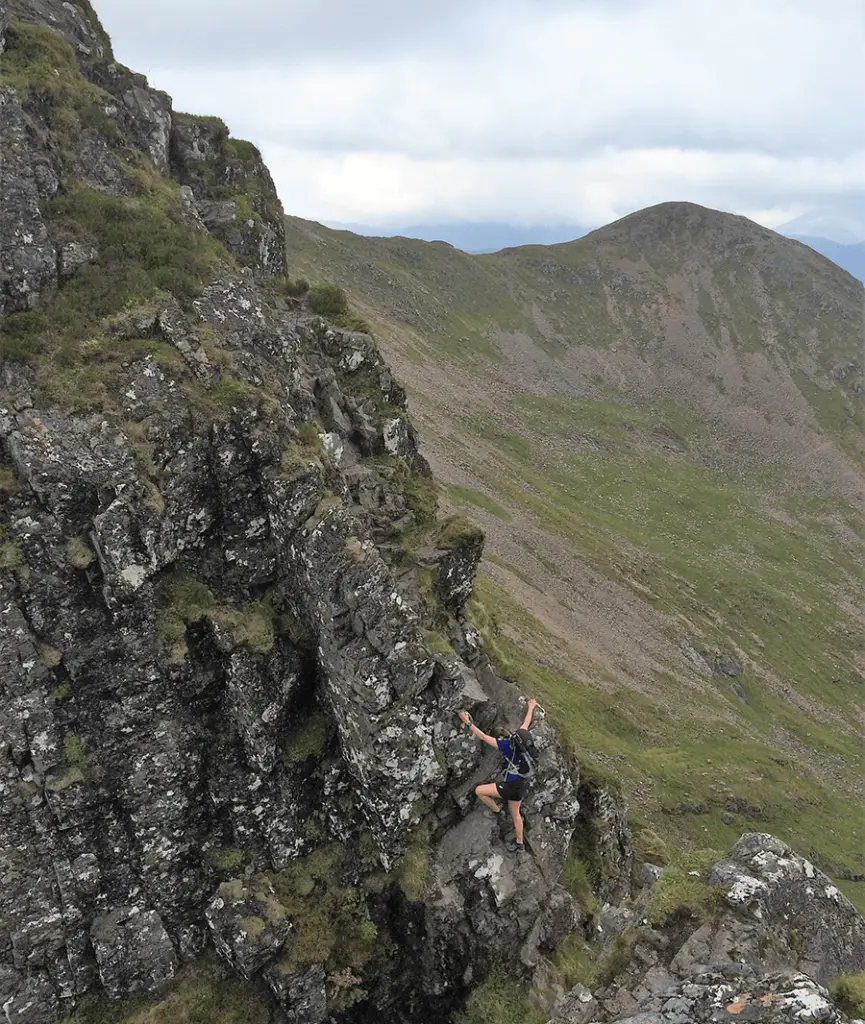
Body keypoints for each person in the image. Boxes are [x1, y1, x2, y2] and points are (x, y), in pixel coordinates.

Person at [458, 698, 538, 854]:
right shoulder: (527, 748)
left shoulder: (507, 747)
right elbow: (526, 723)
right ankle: (520, 844)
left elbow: (482, 736)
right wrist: (531, 707)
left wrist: (467, 722)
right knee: (516, 814)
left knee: (479, 791)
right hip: (523, 784)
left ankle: (497, 810)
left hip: (511, 787)